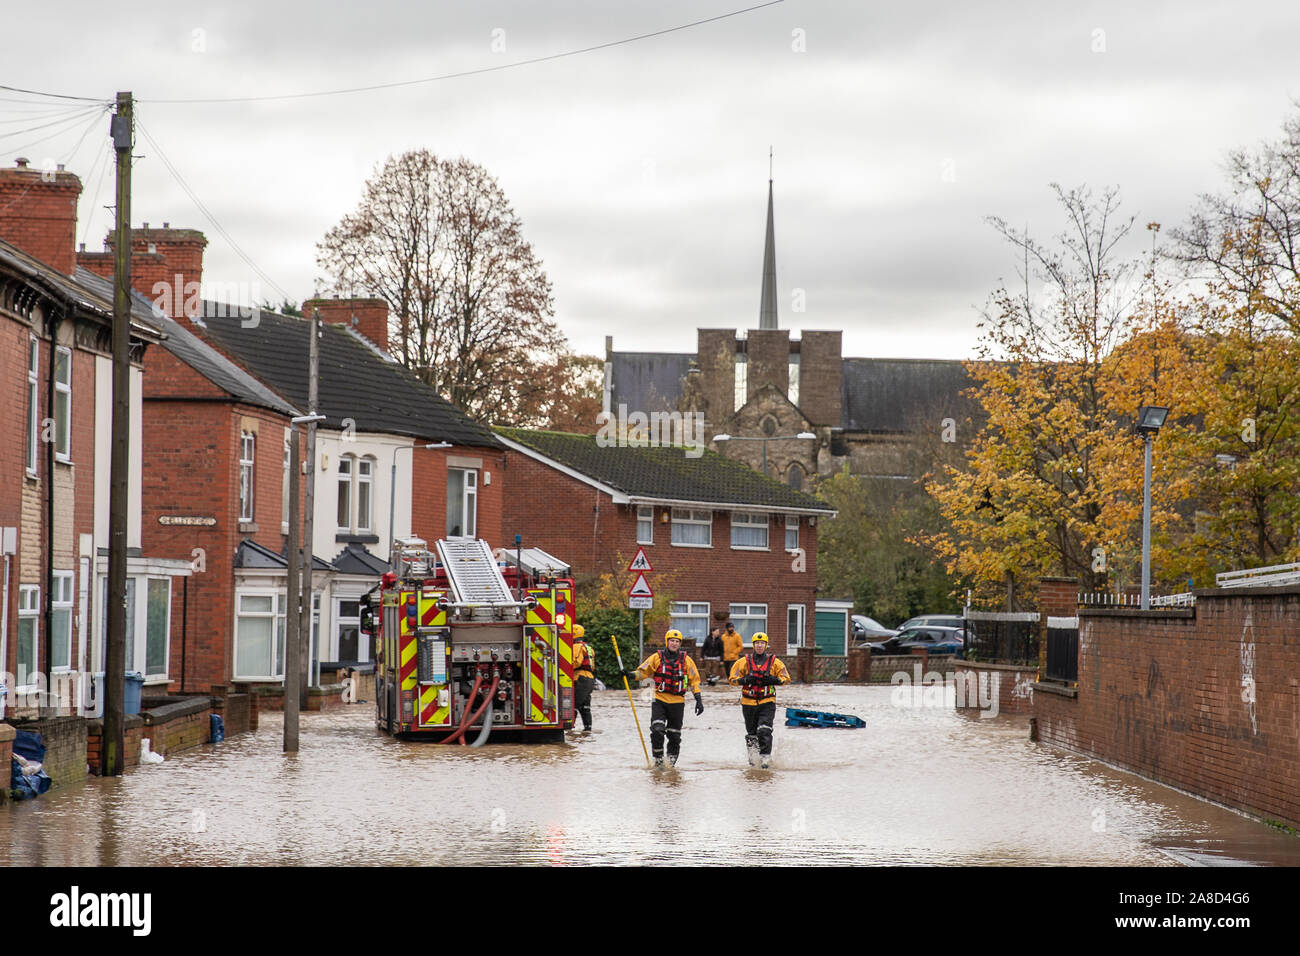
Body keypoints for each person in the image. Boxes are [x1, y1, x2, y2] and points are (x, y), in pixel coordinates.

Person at [624, 629, 703, 769]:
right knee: (657, 730)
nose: (674, 643)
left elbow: (694, 680)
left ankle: (670, 765)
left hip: (677, 702)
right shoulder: (656, 657)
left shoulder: (686, 660)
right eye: (672, 641)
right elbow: (643, 672)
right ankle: (658, 760)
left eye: (677, 641)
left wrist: (698, 699)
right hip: (659, 699)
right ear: (667, 642)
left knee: (674, 736)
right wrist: (630, 674)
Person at [728, 632, 790, 768]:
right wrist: (744, 680)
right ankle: (753, 760)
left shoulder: (775, 662)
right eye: (757, 643)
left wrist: (775, 680)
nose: (760, 646)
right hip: (748, 703)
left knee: (764, 729)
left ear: (766, 645)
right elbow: (732, 679)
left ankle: (765, 758)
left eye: (762, 643)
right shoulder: (743, 662)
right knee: (752, 734)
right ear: (753, 645)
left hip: (767, 702)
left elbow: (786, 678)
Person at [572, 624, 595, 731]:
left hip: (580, 678)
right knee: (585, 707)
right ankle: (587, 731)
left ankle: (569, 731)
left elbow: (576, 662)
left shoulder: (577, 647)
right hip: (589, 679)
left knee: (573, 706)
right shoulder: (588, 647)